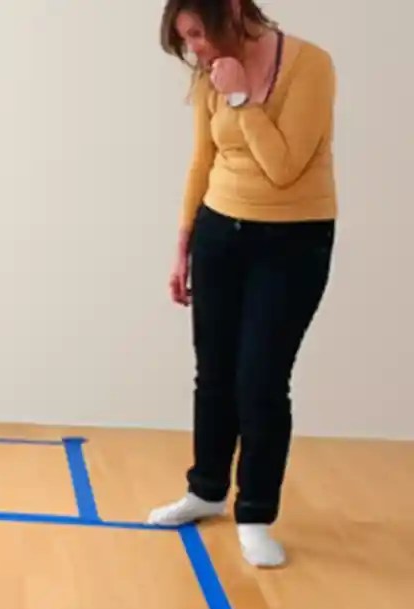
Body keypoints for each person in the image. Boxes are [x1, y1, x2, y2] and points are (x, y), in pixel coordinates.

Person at [147, 0, 337, 568]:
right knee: (215, 374)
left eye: (198, 33)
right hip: (217, 234)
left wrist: (240, 97)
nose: (197, 49)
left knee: (260, 379)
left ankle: (255, 512)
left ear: (232, 9)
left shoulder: (310, 65)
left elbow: (284, 166)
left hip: (293, 241)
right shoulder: (211, 73)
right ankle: (206, 489)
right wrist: (183, 243)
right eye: (186, 40)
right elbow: (201, 160)